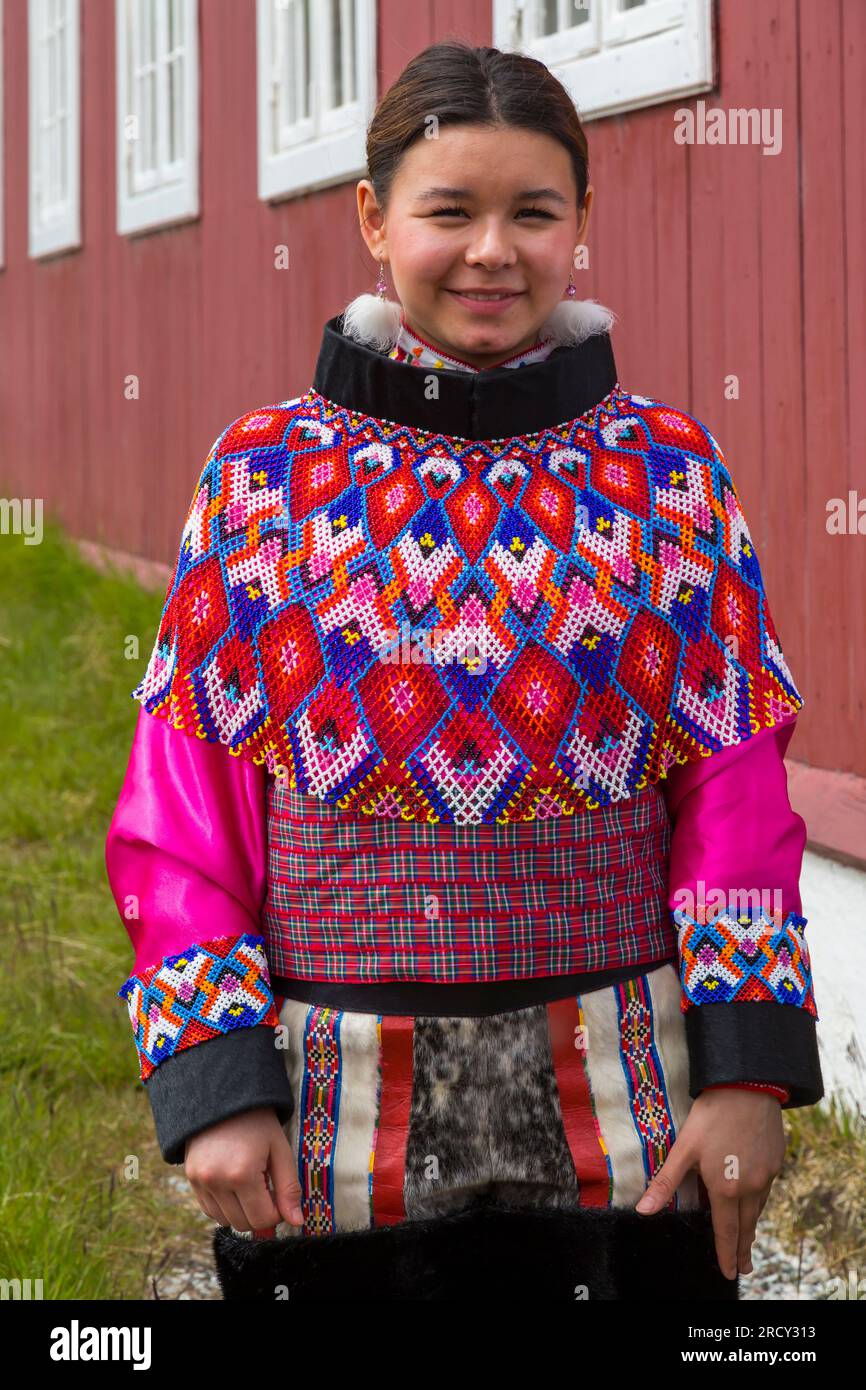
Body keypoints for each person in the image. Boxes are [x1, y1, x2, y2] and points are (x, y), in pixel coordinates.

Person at [105, 40, 822, 1302]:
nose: (493, 251)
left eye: (533, 212)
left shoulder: (666, 478)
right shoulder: (265, 481)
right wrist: (214, 1077)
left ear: (581, 223)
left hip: (628, 1111)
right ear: (374, 220)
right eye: (449, 211)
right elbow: (184, 808)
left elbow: (732, 793)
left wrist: (744, 1074)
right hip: (336, 1131)